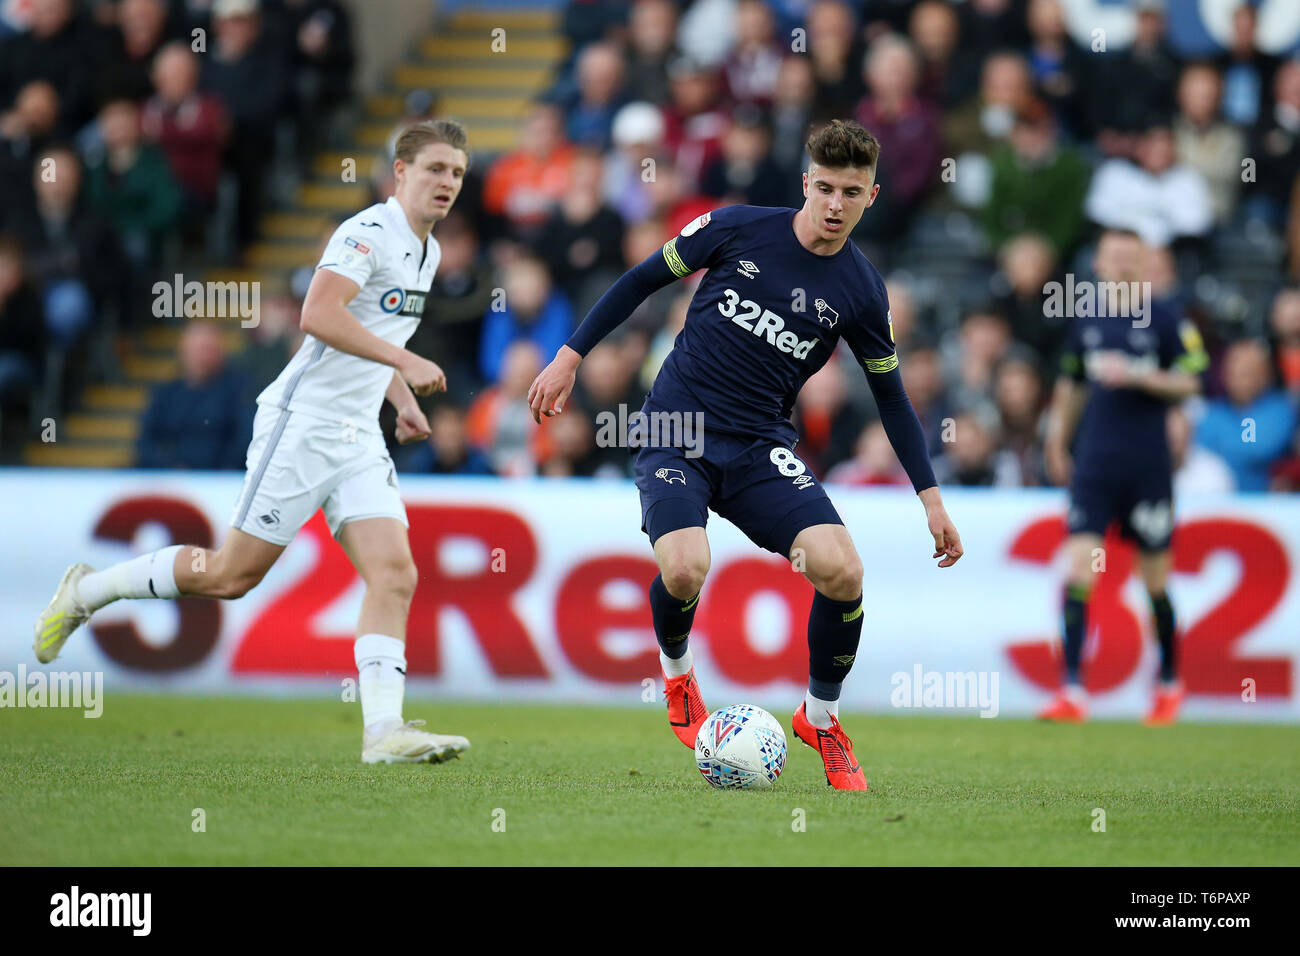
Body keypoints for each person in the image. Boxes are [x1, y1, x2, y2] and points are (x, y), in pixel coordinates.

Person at [527, 120, 963, 791]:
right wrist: (569, 357)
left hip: (759, 448)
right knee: (684, 569)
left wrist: (931, 500)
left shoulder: (861, 291)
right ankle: (677, 676)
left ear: (872, 196)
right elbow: (641, 280)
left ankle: (821, 718)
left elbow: (893, 400)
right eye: (825, 187)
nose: (835, 203)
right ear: (804, 183)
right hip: (677, 429)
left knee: (843, 572)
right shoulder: (735, 227)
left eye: (852, 191)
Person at [34, 120, 472, 765]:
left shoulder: (428, 252)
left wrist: (400, 401)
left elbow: (379, 339)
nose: (447, 183)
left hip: (357, 436)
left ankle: (384, 733)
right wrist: (405, 370)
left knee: (395, 573)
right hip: (303, 423)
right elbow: (318, 316)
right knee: (231, 575)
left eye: (457, 173)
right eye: (435, 169)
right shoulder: (366, 232)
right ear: (400, 172)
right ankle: (88, 591)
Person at [1042, 229, 1208, 726]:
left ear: (1142, 261)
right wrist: (1056, 441)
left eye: (1128, 256)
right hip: (1096, 464)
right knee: (1079, 573)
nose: (1119, 264)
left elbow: (1193, 379)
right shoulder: (1087, 316)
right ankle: (1072, 689)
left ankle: (1170, 685)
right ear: (1098, 261)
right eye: (1111, 255)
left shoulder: (1165, 316)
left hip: (1148, 466)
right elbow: (1071, 383)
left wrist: (1140, 376)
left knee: (1154, 579)